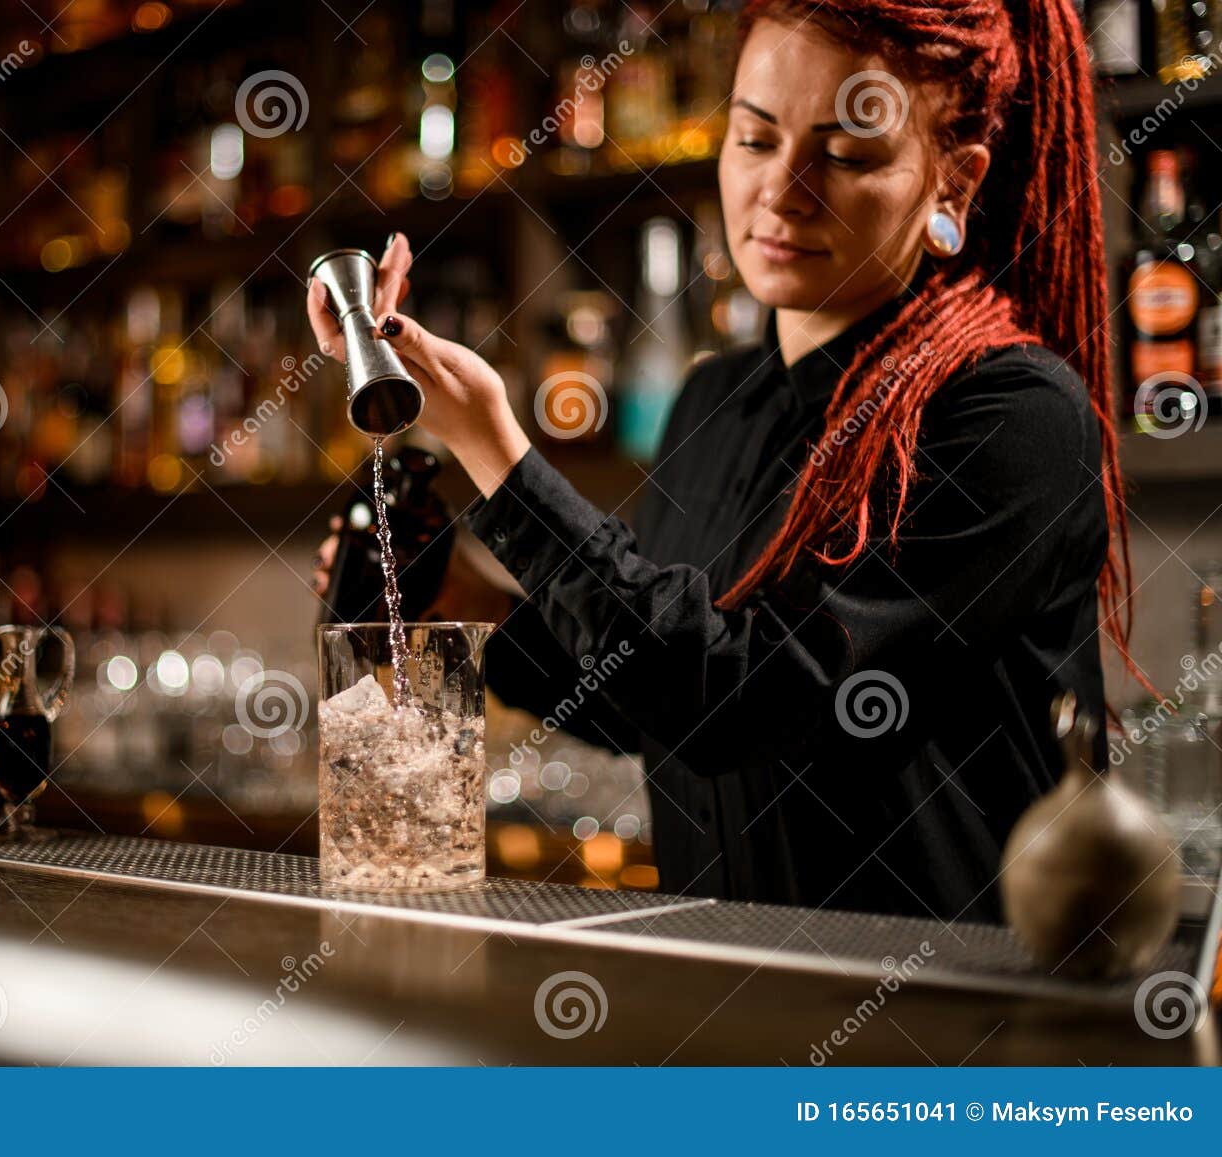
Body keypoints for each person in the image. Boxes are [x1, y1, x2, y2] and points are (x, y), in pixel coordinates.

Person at [307, 0, 1157, 922]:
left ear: (953, 184)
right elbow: (653, 701)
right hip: (730, 1017)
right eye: (755, 139)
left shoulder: (1009, 417)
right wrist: (466, 608)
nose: (783, 192)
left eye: (846, 153)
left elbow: (743, 700)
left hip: (948, 1030)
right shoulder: (712, 404)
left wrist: (491, 445)